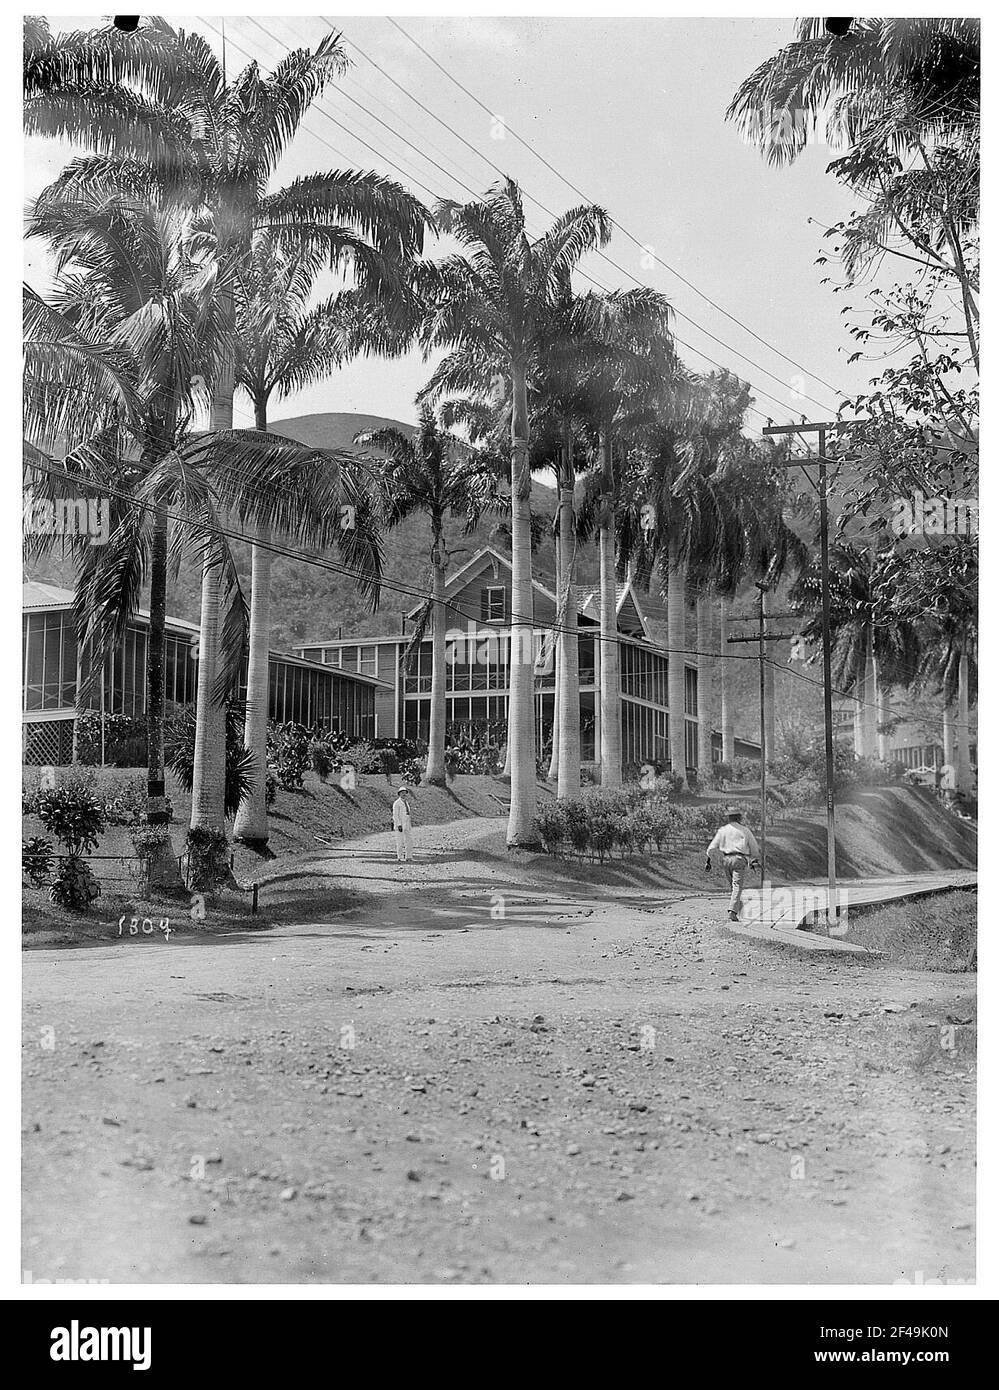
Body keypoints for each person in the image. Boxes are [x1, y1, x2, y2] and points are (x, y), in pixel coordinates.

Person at [704, 806, 761, 922]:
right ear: (739, 817)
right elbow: (754, 848)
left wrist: (708, 860)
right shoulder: (745, 830)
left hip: (726, 860)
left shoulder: (723, 830)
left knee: (733, 886)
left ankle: (738, 910)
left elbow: (711, 848)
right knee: (737, 886)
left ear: (729, 818)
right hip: (739, 859)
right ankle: (732, 912)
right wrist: (754, 860)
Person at [392, 785, 414, 863]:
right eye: (402, 793)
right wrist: (398, 825)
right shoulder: (397, 803)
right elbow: (395, 815)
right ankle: (400, 856)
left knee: (409, 840)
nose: (404, 794)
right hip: (400, 824)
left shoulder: (406, 802)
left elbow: (407, 813)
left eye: (405, 793)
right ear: (399, 794)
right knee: (400, 841)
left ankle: (409, 856)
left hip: (407, 823)